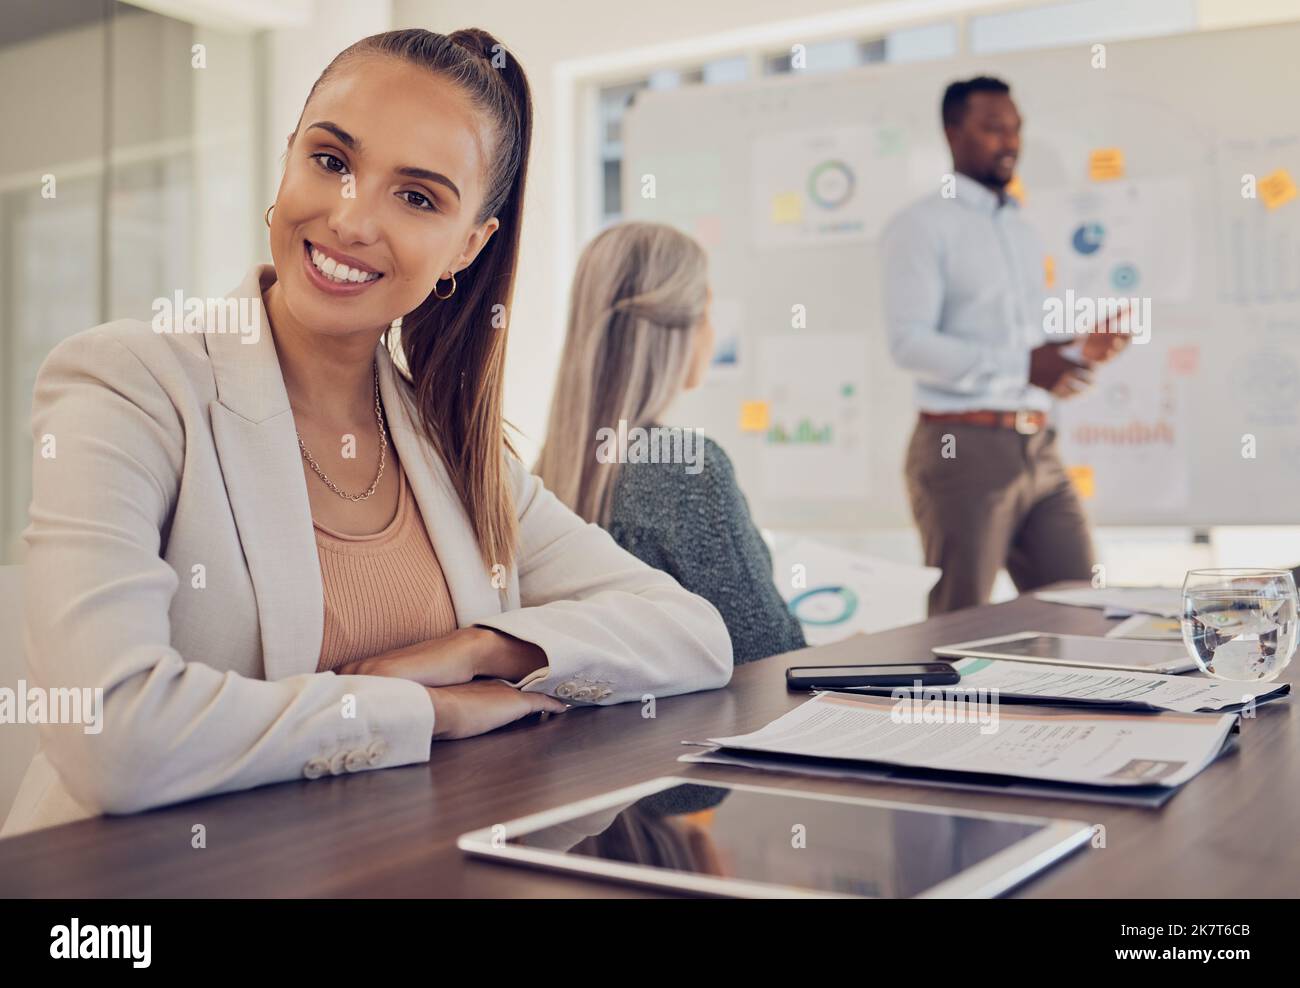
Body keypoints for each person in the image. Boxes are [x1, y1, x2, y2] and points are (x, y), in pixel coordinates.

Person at [2, 29, 732, 838]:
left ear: (468, 246)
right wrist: (422, 711)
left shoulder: (449, 445)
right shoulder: (128, 385)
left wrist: (481, 649)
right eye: (331, 160)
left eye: (417, 197)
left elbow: (694, 635)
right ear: (287, 160)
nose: (350, 218)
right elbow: (112, 737)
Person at [881, 75, 1129, 616]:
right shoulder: (920, 227)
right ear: (952, 133)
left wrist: (1076, 351)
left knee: (1084, 612)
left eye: (1015, 128)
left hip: (1040, 447)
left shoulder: (1021, 228)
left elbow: (1024, 349)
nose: (1009, 141)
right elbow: (908, 343)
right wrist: (1023, 365)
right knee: (956, 623)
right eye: (993, 128)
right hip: (963, 447)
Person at [535, 222, 805, 664]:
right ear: (678, 331)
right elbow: (769, 653)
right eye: (707, 312)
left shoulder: (543, 471)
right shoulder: (686, 469)